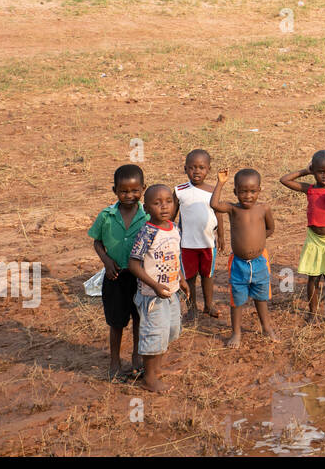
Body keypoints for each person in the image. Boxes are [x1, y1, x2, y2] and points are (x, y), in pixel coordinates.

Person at [87, 163, 148, 380]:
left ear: (143, 188)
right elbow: (97, 242)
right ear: (115, 191)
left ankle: (137, 356)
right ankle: (114, 360)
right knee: (116, 322)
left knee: (140, 318)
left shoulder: (147, 216)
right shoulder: (106, 216)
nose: (129, 195)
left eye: (134, 190)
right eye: (123, 191)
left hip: (140, 277)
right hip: (115, 277)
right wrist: (106, 261)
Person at [128, 184, 189, 392]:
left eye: (168, 202)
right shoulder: (147, 232)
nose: (164, 207)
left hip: (171, 292)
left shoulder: (174, 228)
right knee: (154, 334)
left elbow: (175, 256)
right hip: (151, 296)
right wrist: (154, 285)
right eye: (157, 203)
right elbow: (133, 264)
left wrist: (181, 279)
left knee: (170, 331)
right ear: (146, 208)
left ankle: (157, 369)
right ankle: (149, 378)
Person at [281, 150, 325, 323]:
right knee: (313, 278)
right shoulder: (310, 189)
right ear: (314, 171)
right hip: (314, 240)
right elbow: (284, 180)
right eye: (320, 171)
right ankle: (312, 312)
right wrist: (305, 171)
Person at [210, 168, 278, 346]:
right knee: (237, 300)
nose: (248, 196)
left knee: (261, 297)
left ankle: (266, 327)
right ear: (235, 192)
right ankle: (236, 332)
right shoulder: (233, 209)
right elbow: (214, 205)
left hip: (259, 262)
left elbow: (270, 229)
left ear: (259, 190)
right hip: (239, 264)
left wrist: (258, 241)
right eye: (243, 191)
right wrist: (220, 183)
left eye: (253, 191)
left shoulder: (264, 209)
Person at [176, 149, 227, 320]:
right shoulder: (179, 190)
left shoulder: (213, 191)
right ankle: (192, 308)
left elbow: (218, 214)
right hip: (186, 244)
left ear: (208, 170)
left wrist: (221, 236)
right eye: (192, 167)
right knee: (189, 277)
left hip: (207, 243)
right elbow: (172, 216)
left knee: (208, 275)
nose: (196, 171)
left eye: (201, 167)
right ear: (185, 169)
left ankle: (208, 305)